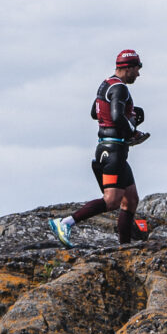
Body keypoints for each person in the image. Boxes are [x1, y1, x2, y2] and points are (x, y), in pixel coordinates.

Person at [48, 49, 151, 248]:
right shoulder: (120, 88)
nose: (138, 74)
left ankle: (125, 247)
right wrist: (133, 131)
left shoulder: (106, 84)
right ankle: (66, 222)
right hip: (113, 151)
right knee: (112, 201)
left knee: (131, 200)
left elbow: (95, 113)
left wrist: (130, 113)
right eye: (137, 69)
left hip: (110, 149)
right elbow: (115, 117)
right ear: (128, 68)